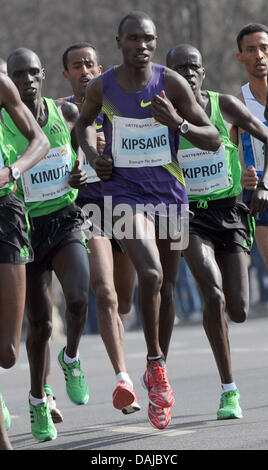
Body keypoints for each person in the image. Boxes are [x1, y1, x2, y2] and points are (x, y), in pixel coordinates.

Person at [76, 11, 221, 429]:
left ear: (155, 43)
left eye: (149, 39)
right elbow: (84, 125)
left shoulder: (170, 83)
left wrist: (177, 122)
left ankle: (156, 365)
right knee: (152, 275)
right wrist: (92, 156)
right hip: (123, 194)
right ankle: (156, 364)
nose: (142, 45)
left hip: (170, 196)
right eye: (133, 38)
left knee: (169, 288)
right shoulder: (103, 86)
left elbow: (211, 137)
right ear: (118, 41)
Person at [165, 43, 268, 420]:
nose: (189, 73)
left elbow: (267, 137)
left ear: (203, 73)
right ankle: (229, 390)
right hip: (188, 215)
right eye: (180, 68)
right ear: (169, 75)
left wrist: (263, 185)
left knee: (238, 310)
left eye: (194, 66)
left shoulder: (223, 105)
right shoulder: (160, 114)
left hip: (230, 211)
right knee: (211, 292)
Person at [5, 47, 90, 442]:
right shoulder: (4, 117)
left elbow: (79, 156)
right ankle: (38, 399)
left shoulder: (65, 114)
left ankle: (70, 358)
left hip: (64, 218)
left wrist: (80, 173)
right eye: (19, 74)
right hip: (25, 227)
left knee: (78, 297)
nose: (27, 80)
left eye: (34, 73)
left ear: (44, 75)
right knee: (38, 324)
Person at [60, 42, 140, 415]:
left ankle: (85, 356)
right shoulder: (60, 113)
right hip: (86, 207)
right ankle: (123, 381)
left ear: (100, 67)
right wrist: (76, 166)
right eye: (77, 66)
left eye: (90, 64)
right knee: (104, 294)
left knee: (123, 301)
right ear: (66, 74)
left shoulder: (118, 106)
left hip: (123, 204)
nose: (84, 70)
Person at [0, 72, 49, 450]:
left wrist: (13, 170)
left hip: (5, 213)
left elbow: (41, 140)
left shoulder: (2, 84)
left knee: (7, 353)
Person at [232, 24, 268, 274]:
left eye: (264, 48)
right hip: (261, 198)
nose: (259, 55)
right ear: (241, 57)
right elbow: (230, 155)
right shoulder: (237, 104)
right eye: (251, 49)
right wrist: (242, 174)